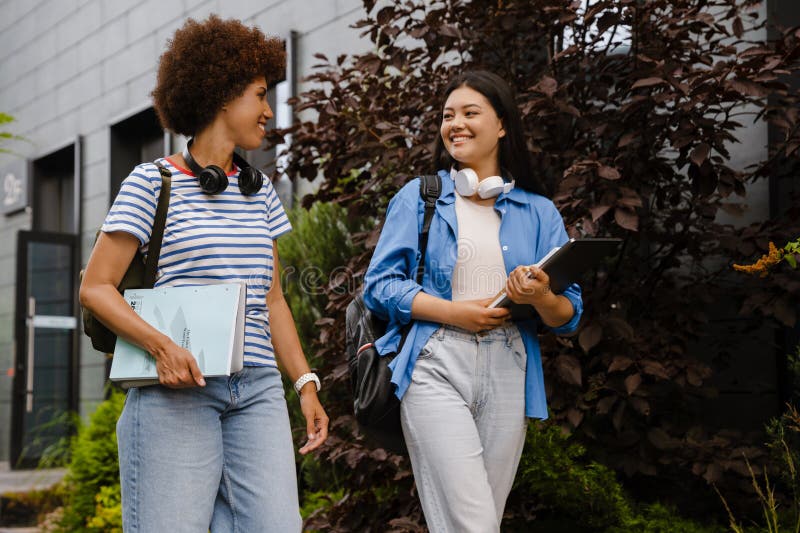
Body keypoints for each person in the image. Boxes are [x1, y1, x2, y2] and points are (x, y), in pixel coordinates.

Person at [79, 15, 327, 532]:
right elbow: (96, 288)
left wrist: (304, 383)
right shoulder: (152, 182)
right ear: (221, 96)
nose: (267, 111)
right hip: (175, 391)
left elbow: (273, 299)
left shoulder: (258, 192)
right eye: (260, 95)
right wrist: (160, 346)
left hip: (255, 388)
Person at [362, 70, 583, 532]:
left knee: (479, 520)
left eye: (469, 113)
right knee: (475, 523)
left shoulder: (539, 211)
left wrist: (541, 294)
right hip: (435, 362)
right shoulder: (419, 198)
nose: (455, 124)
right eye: (447, 116)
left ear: (502, 125)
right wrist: (453, 312)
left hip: (509, 366)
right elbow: (379, 285)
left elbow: (568, 317)